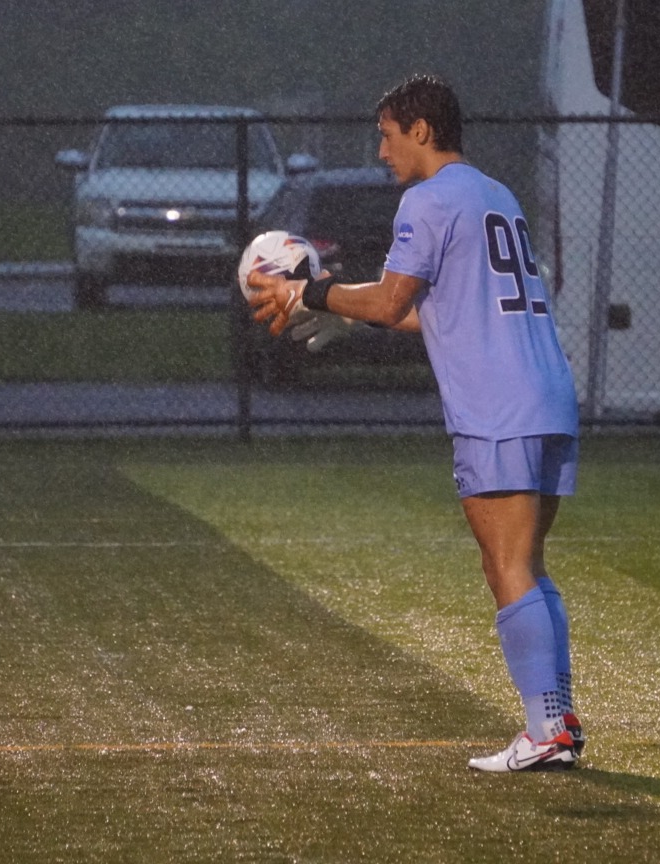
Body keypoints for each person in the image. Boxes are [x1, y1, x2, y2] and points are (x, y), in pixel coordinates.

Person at [248, 74, 583, 772]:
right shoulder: (495, 193)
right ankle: (554, 723)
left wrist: (306, 290)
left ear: (422, 130)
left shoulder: (426, 199)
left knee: (506, 566)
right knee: (525, 565)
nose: (380, 151)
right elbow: (438, 309)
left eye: (387, 134)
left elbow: (393, 295)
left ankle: (546, 729)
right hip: (544, 392)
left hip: (496, 402)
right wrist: (341, 309)